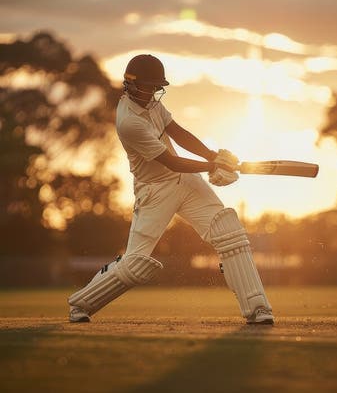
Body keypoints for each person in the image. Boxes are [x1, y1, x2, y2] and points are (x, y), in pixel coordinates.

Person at [68, 53, 274, 325]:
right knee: (135, 263)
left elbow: (178, 133)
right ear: (131, 84)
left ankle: (258, 308)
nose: (153, 92)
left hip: (185, 182)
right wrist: (212, 166)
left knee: (229, 233)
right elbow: (170, 161)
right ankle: (81, 304)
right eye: (148, 86)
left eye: (157, 87)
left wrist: (213, 155)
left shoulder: (152, 104)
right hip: (155, 192)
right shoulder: (128, 122)